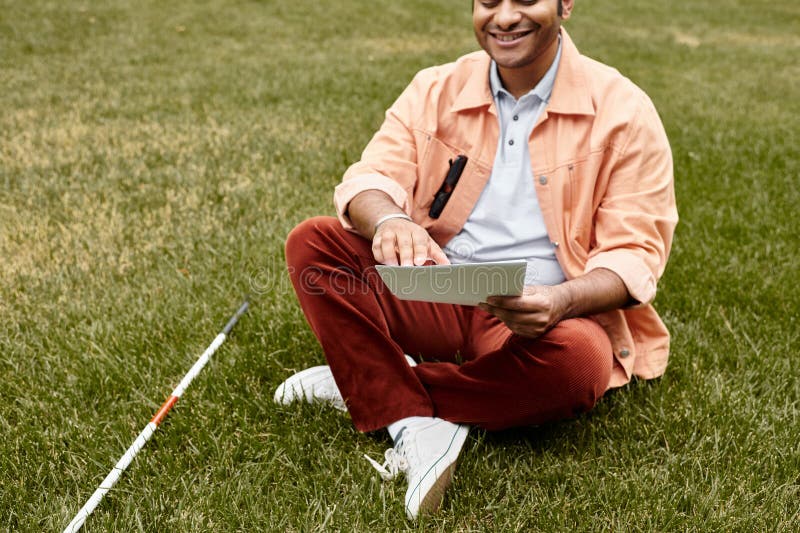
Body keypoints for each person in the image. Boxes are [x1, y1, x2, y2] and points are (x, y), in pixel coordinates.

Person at [274, 0, 677, 520]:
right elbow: (369, 179)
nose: (505, 17)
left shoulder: (624, 110)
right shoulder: (436, 87)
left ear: (565, 4)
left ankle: (374, 383)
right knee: (312, 243)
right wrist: (393, 221)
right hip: (433, 285)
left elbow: (636, 253)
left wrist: (559, 300)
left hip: (530, 312)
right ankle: (404, 402)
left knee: (581, 365)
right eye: (489, 2)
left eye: (526, 0)